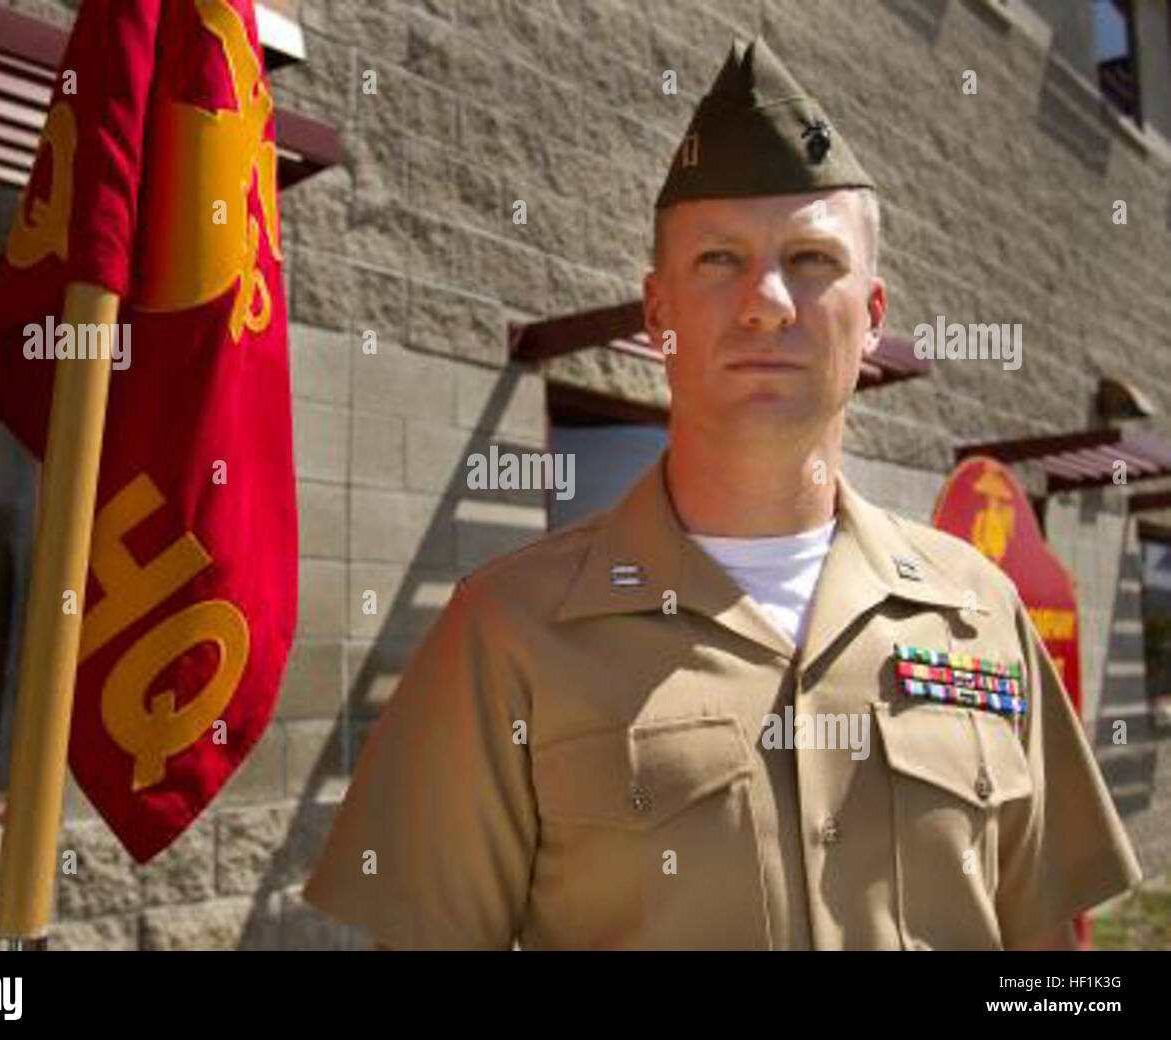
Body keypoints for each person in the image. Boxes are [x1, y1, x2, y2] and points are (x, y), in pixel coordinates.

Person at [302, 35, 1142, 950]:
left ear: (873, 320)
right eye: (718, 260)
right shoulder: (503, 634)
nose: (766, 300)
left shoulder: (980, 612)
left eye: (813, 259)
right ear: (658, 314)